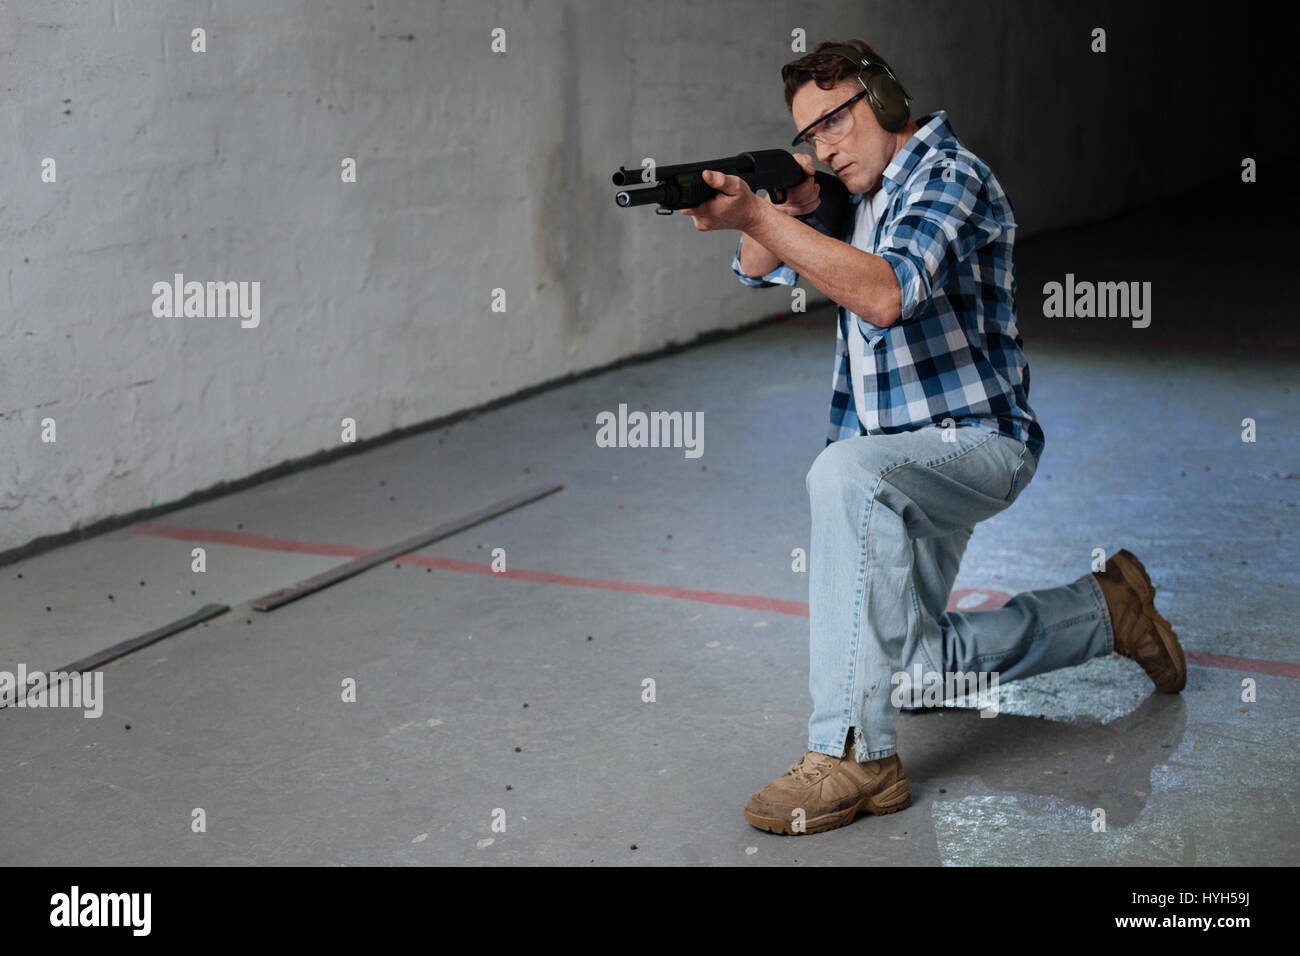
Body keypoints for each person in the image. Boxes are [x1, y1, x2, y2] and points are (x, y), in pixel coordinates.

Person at [680, 39, 1186, 835]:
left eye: (836, 120)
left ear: (882, 99)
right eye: (810, 136)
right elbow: (755, 267)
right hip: (900, 463)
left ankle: (851, 752)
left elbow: (885, 294)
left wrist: (761, 214)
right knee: (907, 672)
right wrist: (765, 204)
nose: (826, 145)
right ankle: (1106, 611)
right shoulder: (855, 195)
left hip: (978, 443)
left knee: (843, 474)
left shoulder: (950, 176)